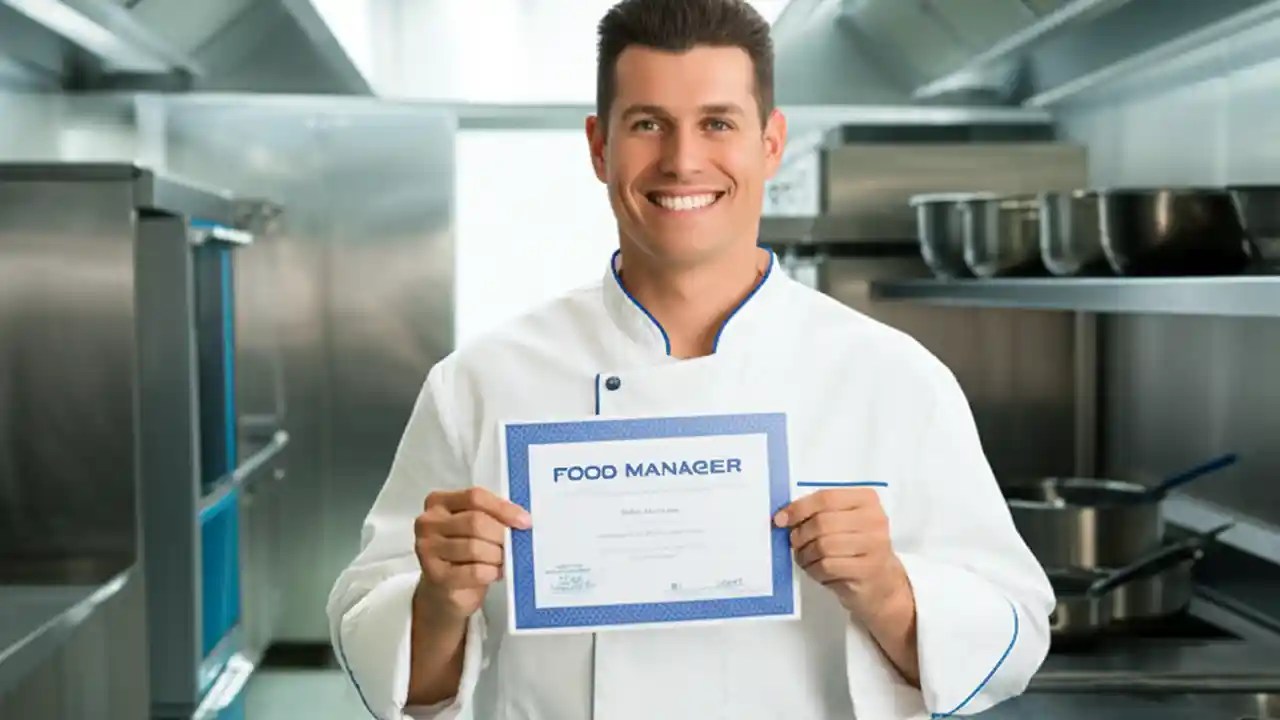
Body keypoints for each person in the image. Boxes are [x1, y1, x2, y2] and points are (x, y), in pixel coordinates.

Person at [326, 0, 1055, 717]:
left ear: (770, 143)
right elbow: (393, 672)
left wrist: (889, 590)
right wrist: (440, 602)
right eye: (648, 124)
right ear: (599, 147)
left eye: (717, 123)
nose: (682, 162)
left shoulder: (894, 380)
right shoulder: (479, 385)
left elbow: (1014, 638)